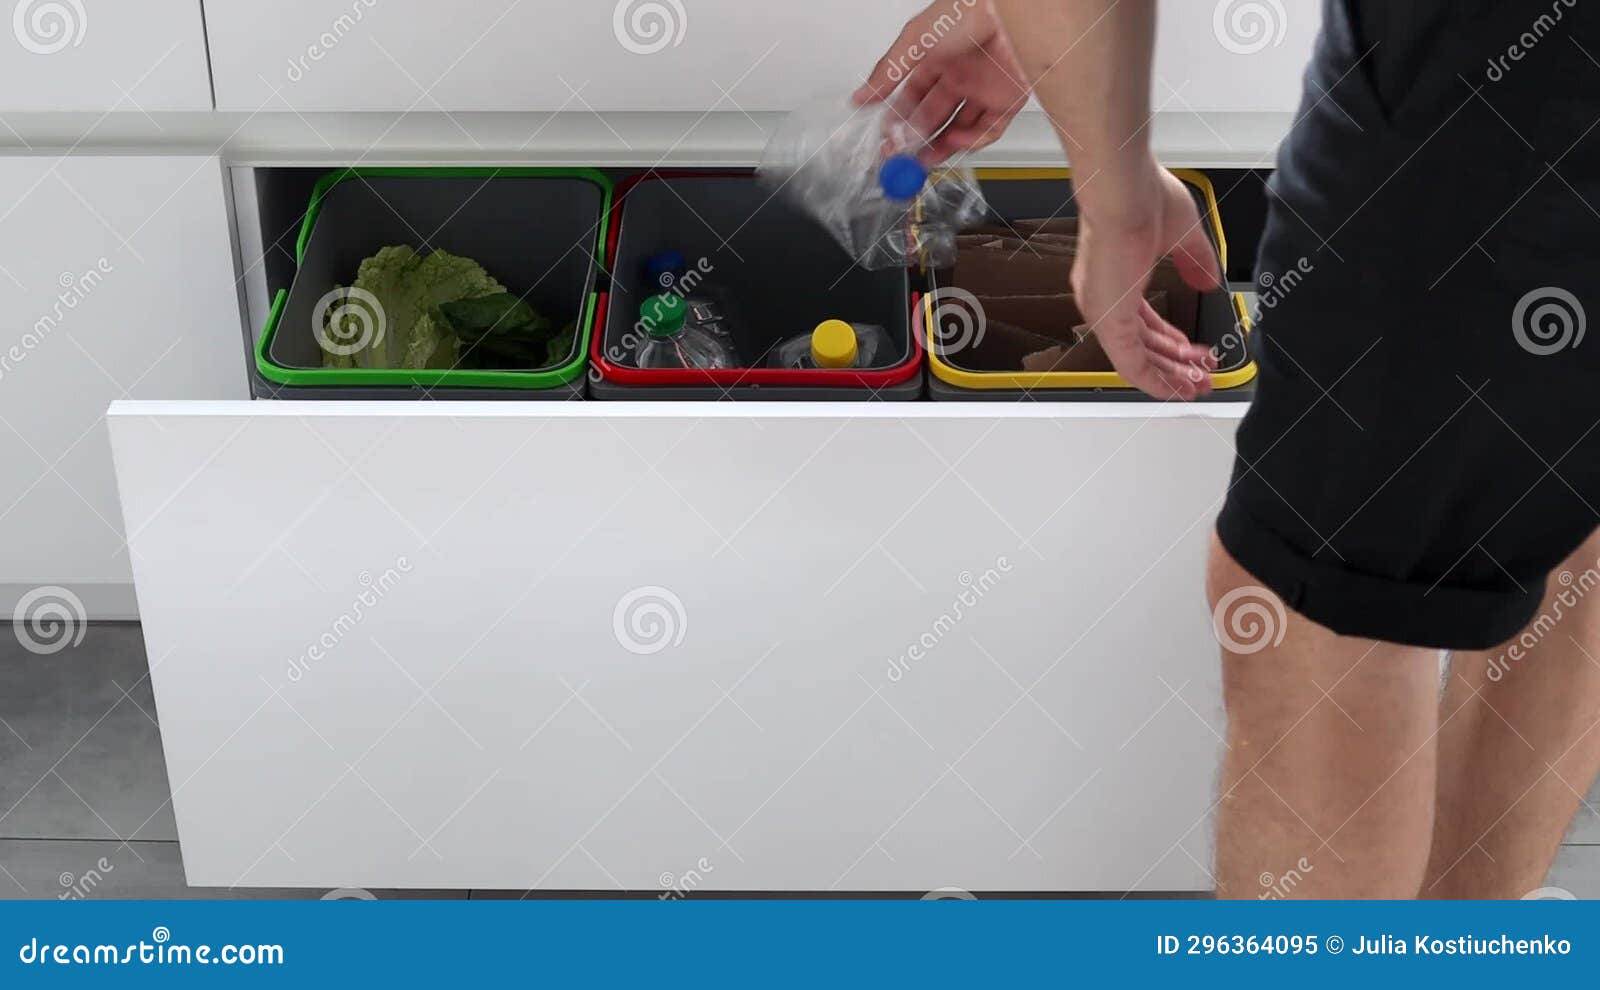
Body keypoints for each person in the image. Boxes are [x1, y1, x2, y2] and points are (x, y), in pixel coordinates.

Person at [859, 0, 1600, 898]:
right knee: (1570, 530)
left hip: (1511, 96)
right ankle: (1461, 941)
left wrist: (1117, 192)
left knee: (1320, 609)